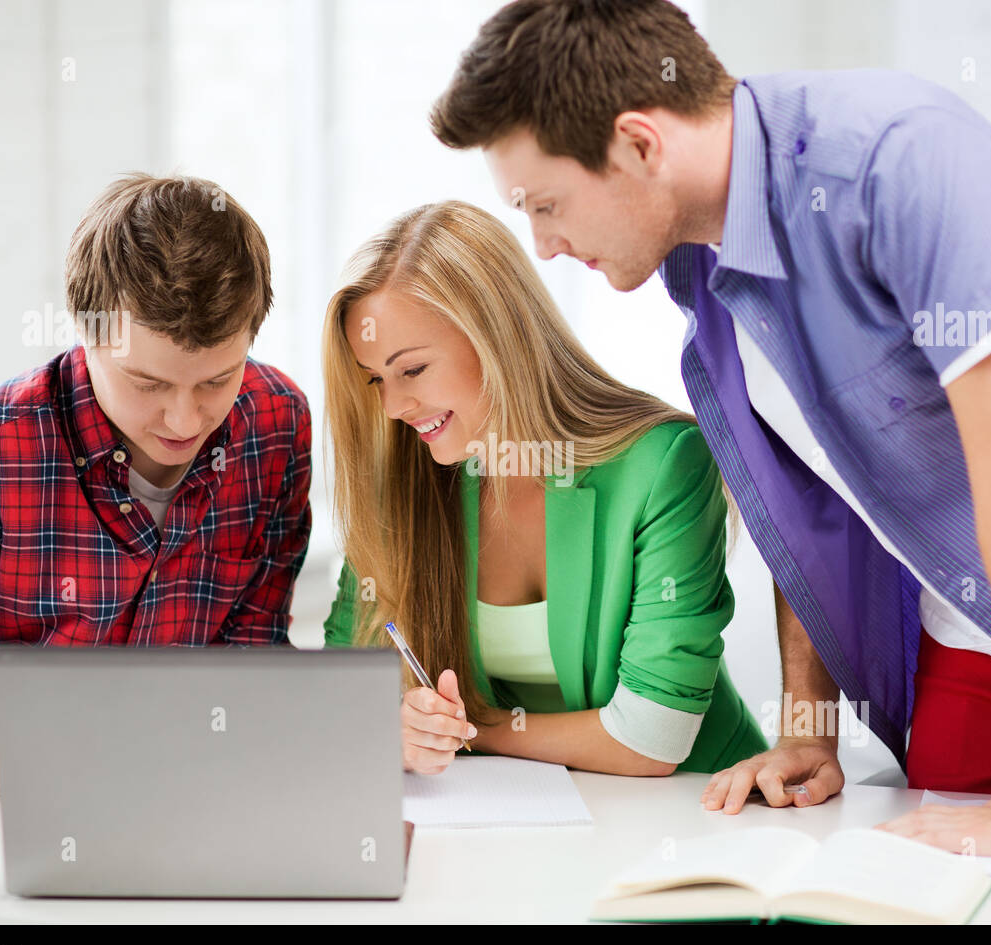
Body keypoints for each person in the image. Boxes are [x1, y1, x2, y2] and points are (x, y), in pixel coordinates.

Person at [429, 0, 991, 854]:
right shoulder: (698, 271)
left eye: (547, 204)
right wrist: (809, 731)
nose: (545, 245)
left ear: (640, 143)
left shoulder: (899, 159)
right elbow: (805, 507)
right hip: (970, 646)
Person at [0, 174, 313, 831]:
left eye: (218, 379)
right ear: (87, 333)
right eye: (147, 382)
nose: (185, 419)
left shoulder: (275, 424)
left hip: (158, 815)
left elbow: (250, 662)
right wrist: (24, 770)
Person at [322, 200, 766, 777]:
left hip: (698, 809)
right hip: (519, 822)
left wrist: (468, 730)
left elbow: (652, 737)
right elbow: (339, 693)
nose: (393, 406)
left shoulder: (664, 464)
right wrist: (397, 727)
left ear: (498, 337)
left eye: (412, 370)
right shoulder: (403, 482)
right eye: (375, 380)